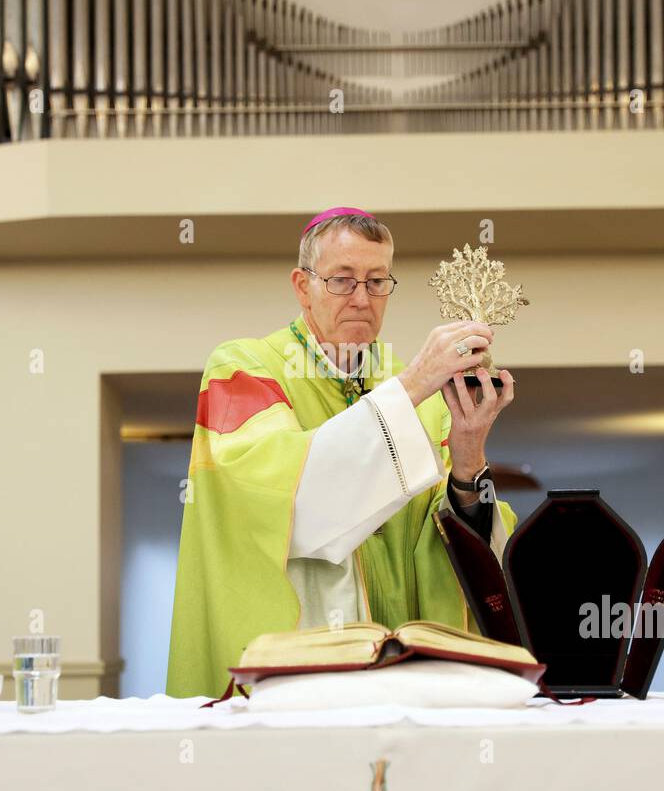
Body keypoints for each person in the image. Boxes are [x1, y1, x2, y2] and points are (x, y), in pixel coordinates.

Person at [166, 207, 517, 699]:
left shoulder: (419, 397)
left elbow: (445, 553)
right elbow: (296, 507)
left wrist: (467, 454)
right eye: (342, 280)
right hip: (293, 678)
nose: (362, 298)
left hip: (395, 677)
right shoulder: (245, 369)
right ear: (301, 285)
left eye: (377, 281)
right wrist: (413, 384)